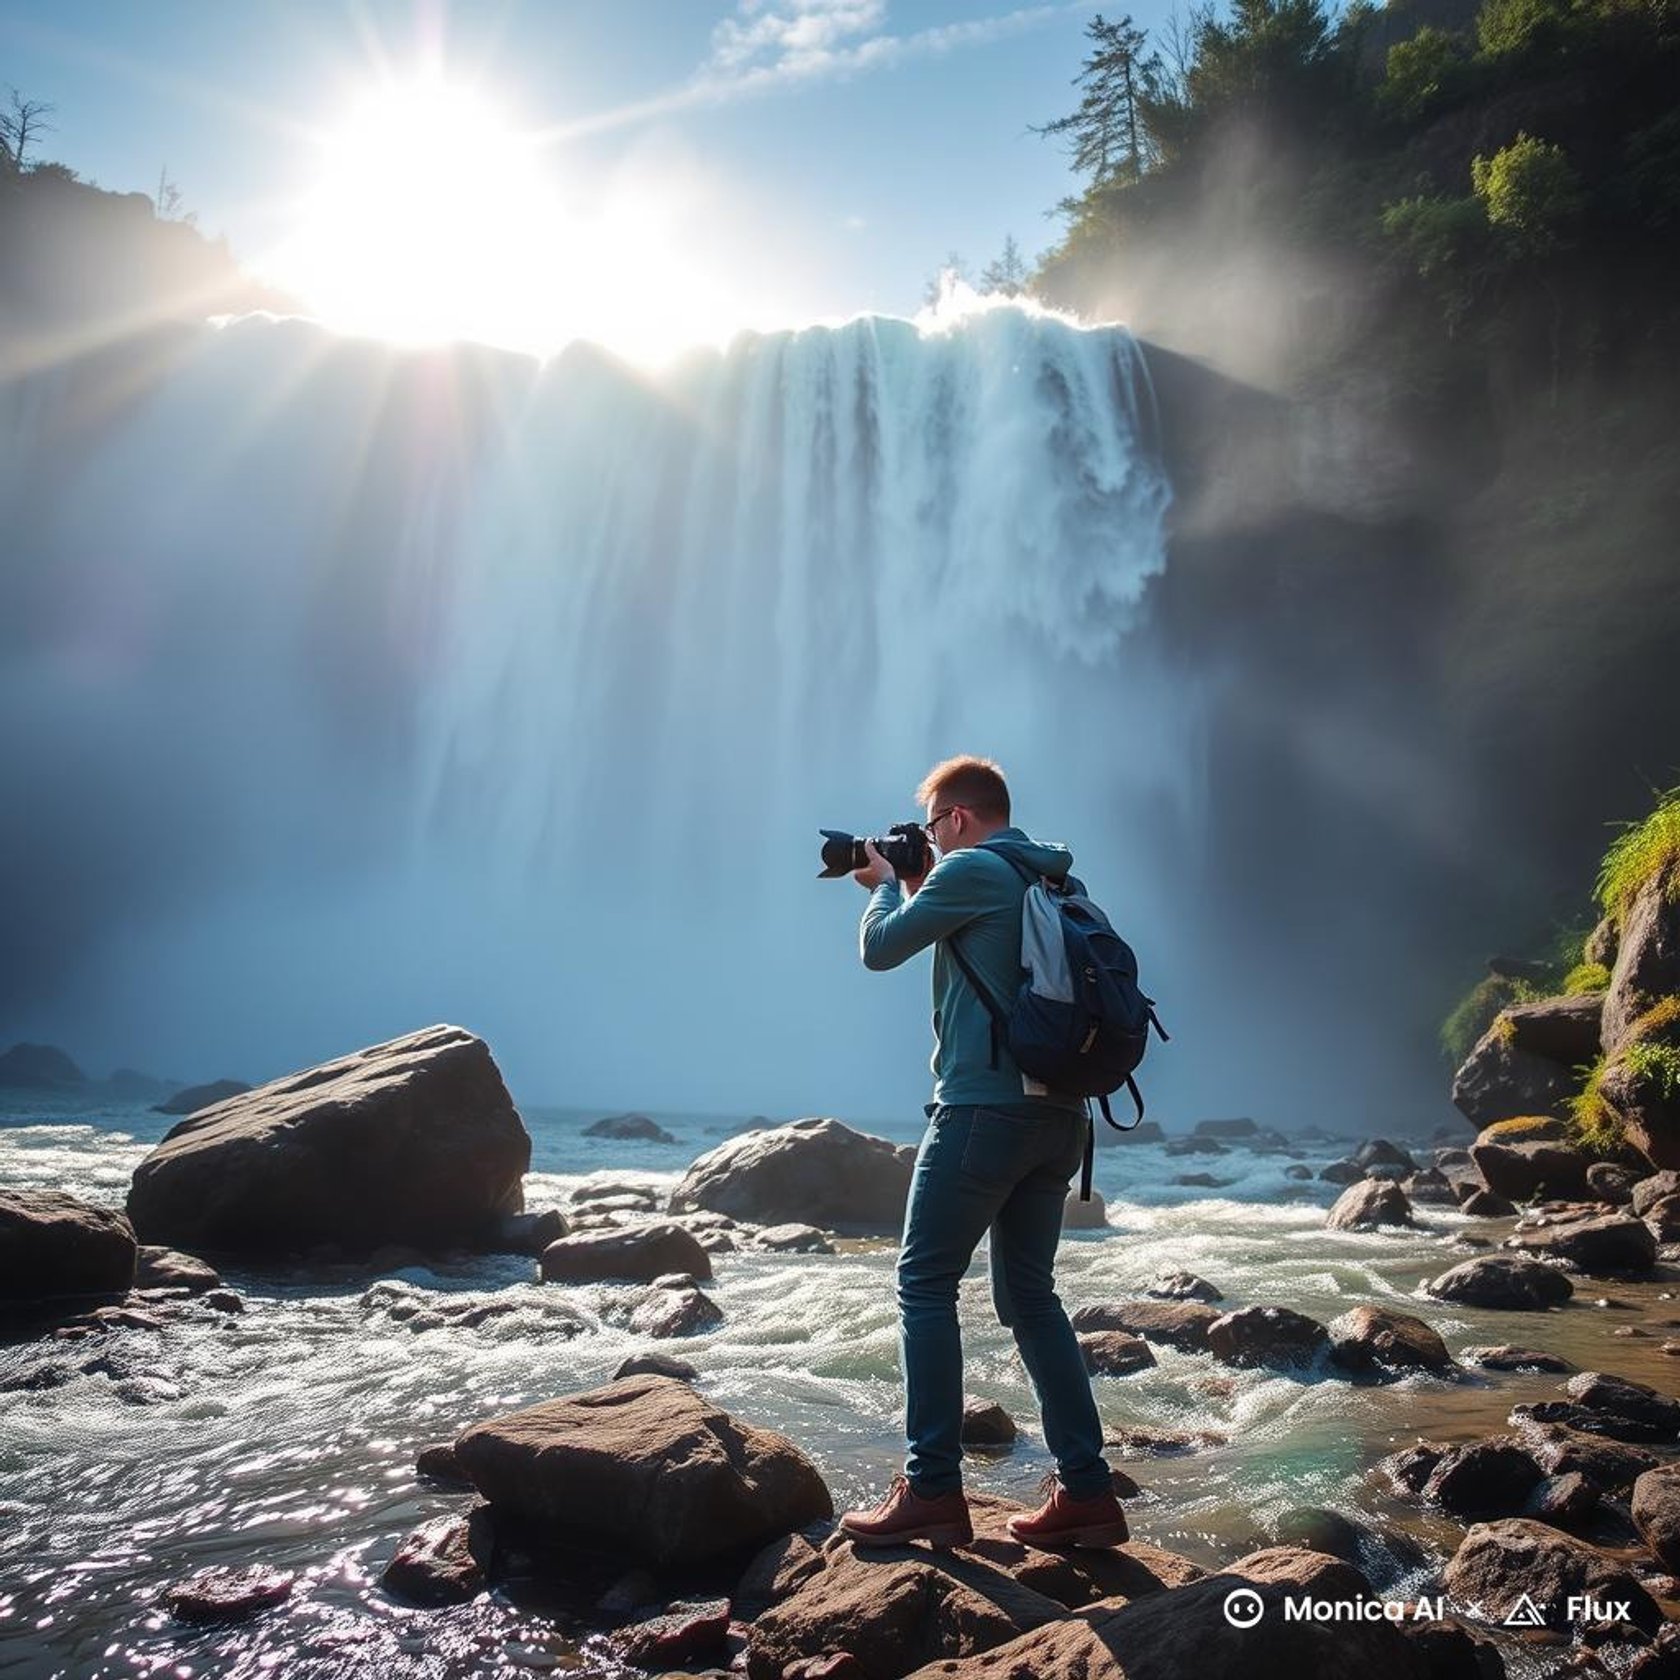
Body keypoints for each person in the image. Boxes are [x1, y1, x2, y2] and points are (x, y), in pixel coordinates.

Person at [836, 755, 1128, 1551]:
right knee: (1031, 1299)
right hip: (1060, 1118)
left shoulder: (969, 869)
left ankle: (931, 1488)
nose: (930, 839)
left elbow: (881, 948)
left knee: (924, 1284)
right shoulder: (1051, 877)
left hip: (983, 1112)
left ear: (958, 818)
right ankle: (1088, 1494)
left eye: (933, 825)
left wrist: (885, 884)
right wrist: (916, 876)